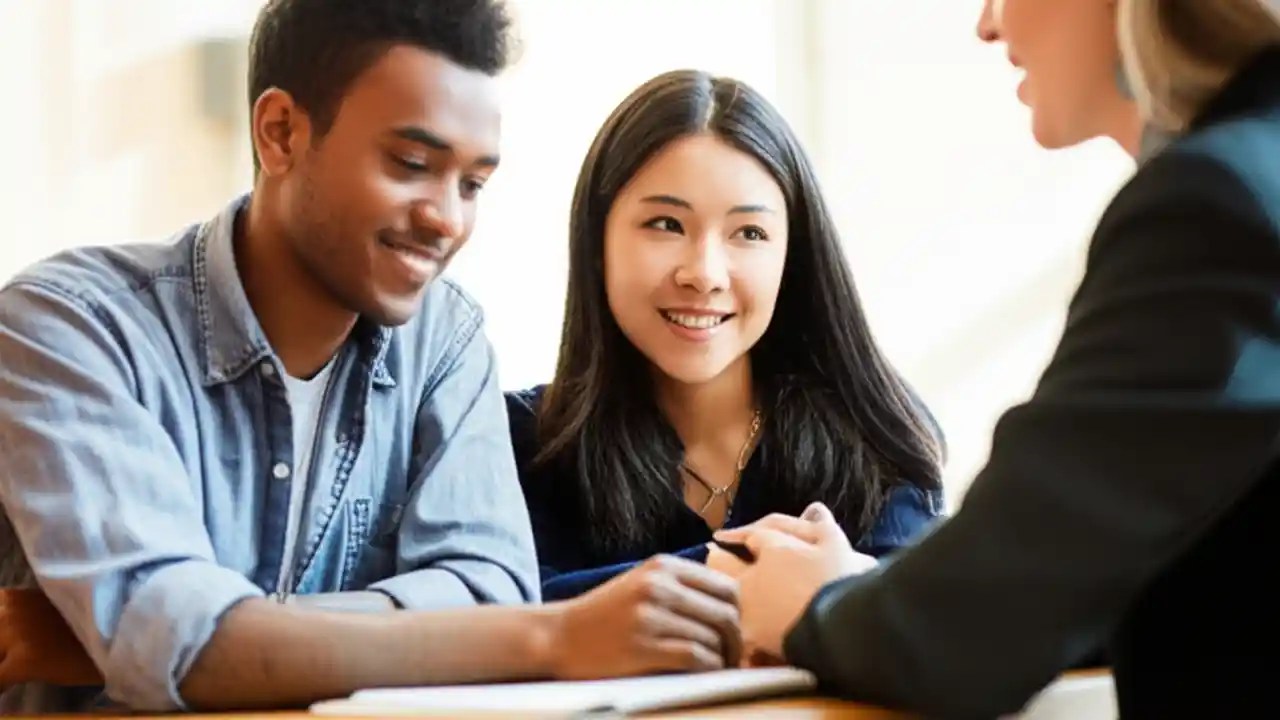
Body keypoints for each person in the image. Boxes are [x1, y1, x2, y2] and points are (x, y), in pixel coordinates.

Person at [0, 0, 741, 713]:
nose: (447, 218)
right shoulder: (69, 327)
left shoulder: (444, 341)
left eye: (473, 184)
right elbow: (184, 643)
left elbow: (487, 589)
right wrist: (550, 635)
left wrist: (217, 630)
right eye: (412, 162)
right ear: (281, 132)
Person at [715, 0, 1280, 716]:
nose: (988, 23)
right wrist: (881, 593)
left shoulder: (1215, 202)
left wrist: (813, 607)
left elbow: (963, 640)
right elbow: (1108, 566)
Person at [505, 70, 947, 603]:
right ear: (597, 241)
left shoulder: (871, 431)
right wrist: (746, 565)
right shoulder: (521, 443)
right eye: (666, 224)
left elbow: (913, 610)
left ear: (794, 258)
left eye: (749, 234)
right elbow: (506, 613)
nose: (706, 273)